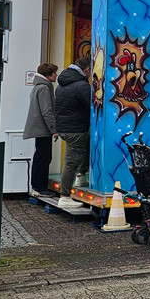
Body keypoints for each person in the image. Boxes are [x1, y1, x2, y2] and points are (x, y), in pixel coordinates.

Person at [54, 55, 92, 198]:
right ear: (86, 70)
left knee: (83, 150)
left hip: (64, 128)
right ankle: (65, 195)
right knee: (70, 163)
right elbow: (92, 107)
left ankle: (81, 176)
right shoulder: (81, 86)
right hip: (76, 130)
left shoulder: (62, 85)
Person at [23, 63, 57, 195]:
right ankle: (40, 187)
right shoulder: (44, 88)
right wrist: (54, 129)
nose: (56, 75)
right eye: (54, 73)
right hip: (43, 129)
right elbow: (47, 111)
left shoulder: (38, 86)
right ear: (48, 75)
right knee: (44, 158)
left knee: (40, 157)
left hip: (39, 128)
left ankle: (37, 186)